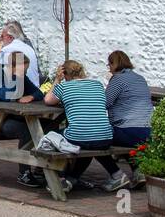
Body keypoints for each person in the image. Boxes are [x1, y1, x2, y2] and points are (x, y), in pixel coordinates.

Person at [44, 59, 115, 194]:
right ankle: (73, 178)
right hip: (106, 136)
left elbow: (48, 100)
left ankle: (61, 177)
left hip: (81, 136)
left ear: (64, 74)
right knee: (88, 141)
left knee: (52, 137)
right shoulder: (97, 85)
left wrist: (56, 80)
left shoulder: (64, 87)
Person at [0, 51, 49, 189]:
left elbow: (37, 92)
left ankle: (43, 168)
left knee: (48, 126)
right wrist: (17, 78)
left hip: (16, 116)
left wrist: (31, 97)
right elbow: (5, 96)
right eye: (22, 70)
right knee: (26, 131)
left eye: (24, 71)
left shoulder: (21, 76)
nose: (24, 74)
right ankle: (24, 173)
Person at [102, 50, 153, 190]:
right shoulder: (140, 78)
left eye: (109, 65)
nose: (109, 68)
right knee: (123, 137)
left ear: (114, 64)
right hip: (149, 131)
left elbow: (105, 102)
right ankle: (139, 172)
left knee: (96, 139)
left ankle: (116, 174)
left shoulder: (117, 79)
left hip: (129, 130)